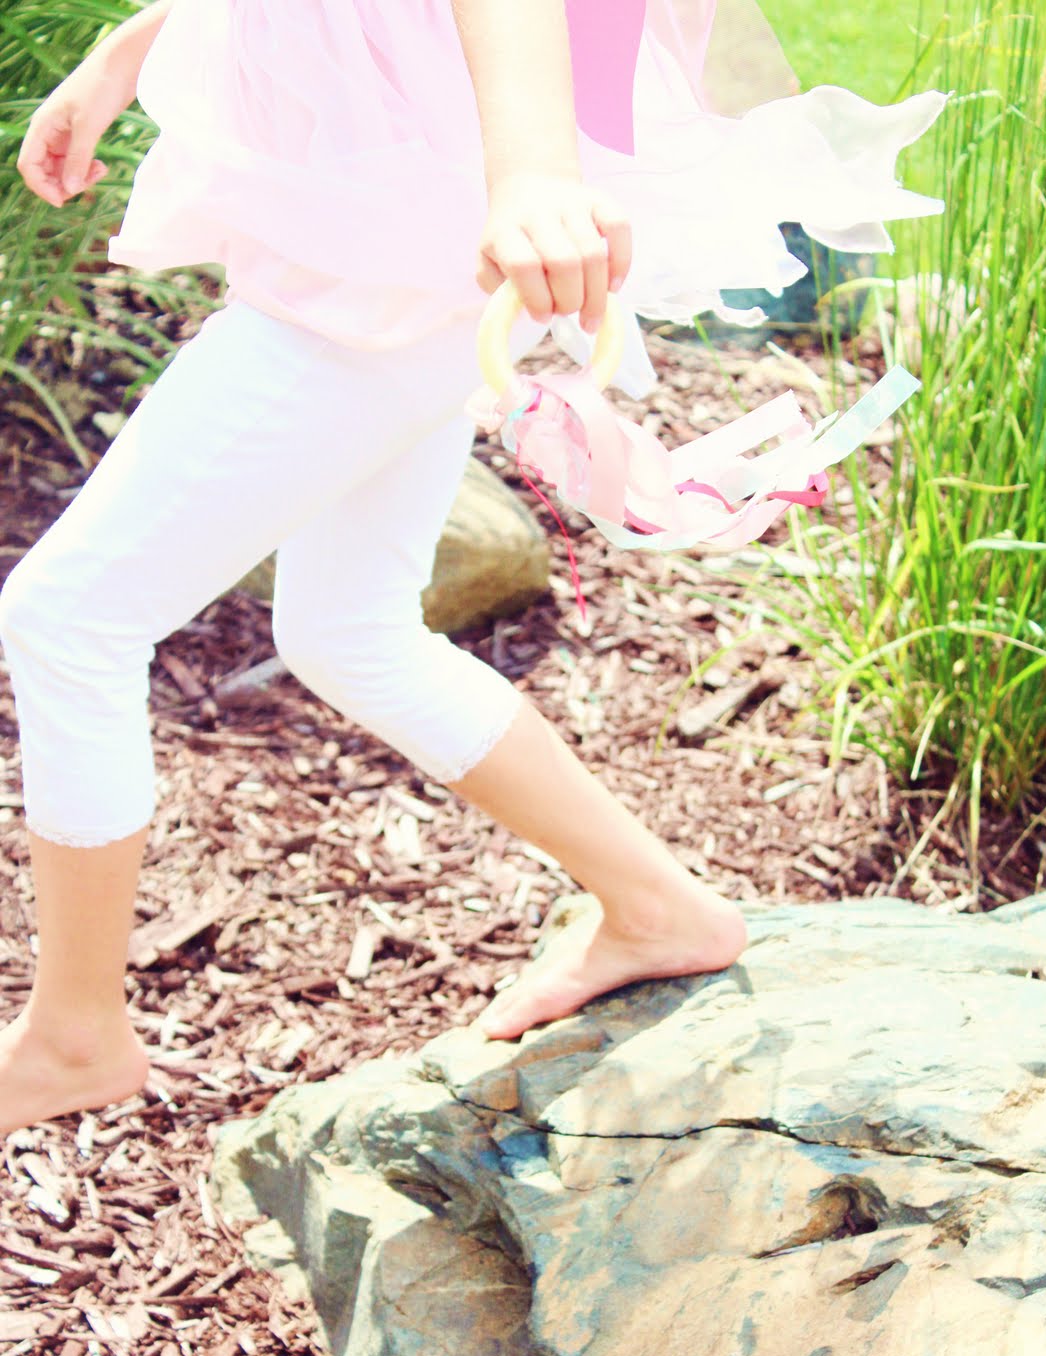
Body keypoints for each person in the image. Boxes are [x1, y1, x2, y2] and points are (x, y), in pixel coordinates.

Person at [0, 0, 946, 1136]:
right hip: (400, 190)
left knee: (68, 616)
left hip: (403, 213)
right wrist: (129, 48)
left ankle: (74, 1035)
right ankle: (657, 905)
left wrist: (535, 169)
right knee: (351, 626)